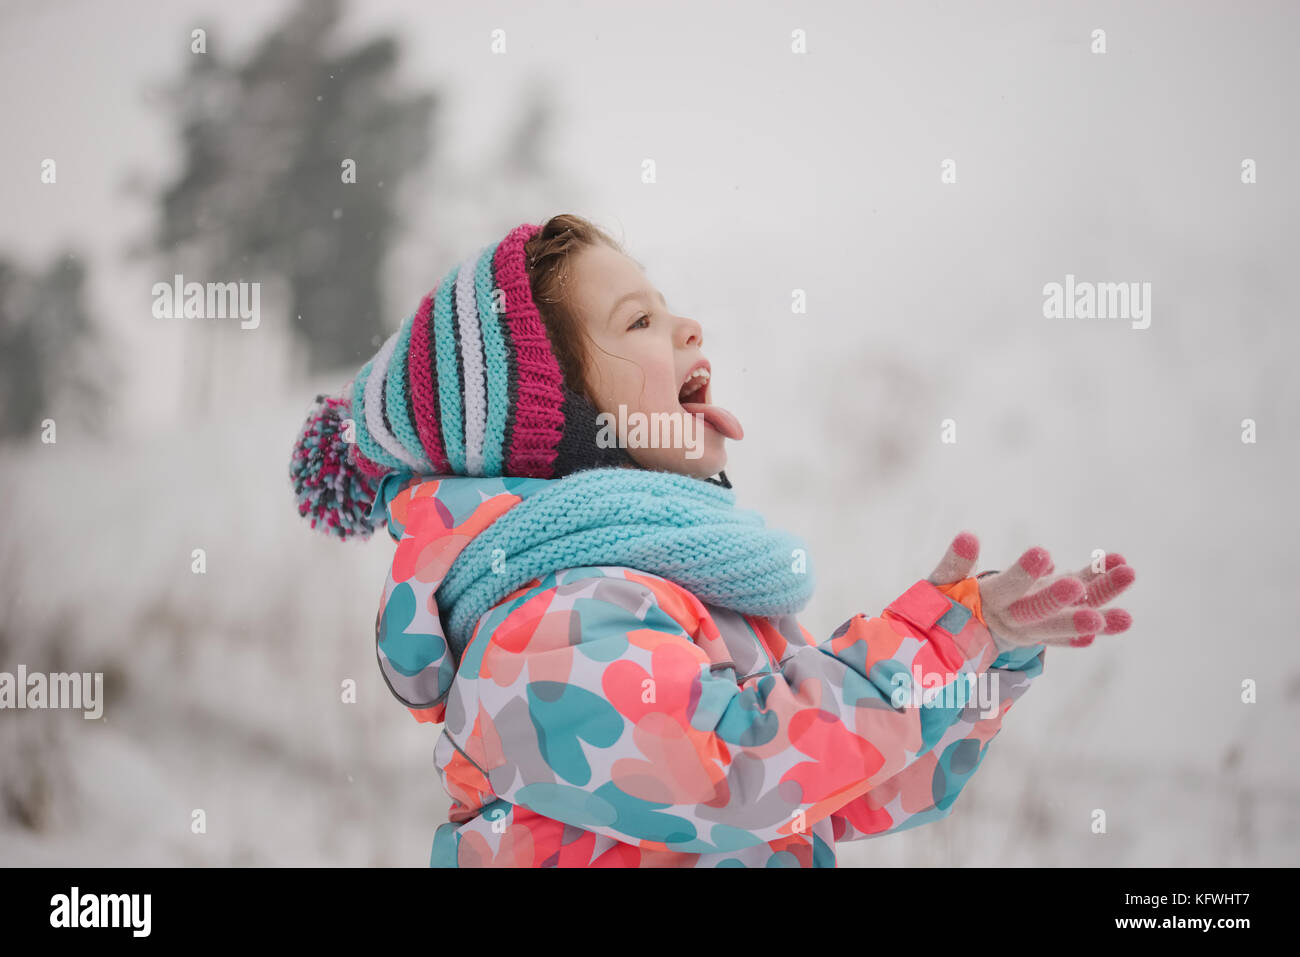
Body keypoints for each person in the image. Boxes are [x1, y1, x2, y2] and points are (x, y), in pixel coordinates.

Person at [288, 214, 1136, 867]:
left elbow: (854, 787)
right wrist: (935, 643)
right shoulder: (544, 631)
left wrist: (982, 650)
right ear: (558, 429)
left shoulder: (670, 598)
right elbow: (749, 769)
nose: (687, 325)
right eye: (638, 322)